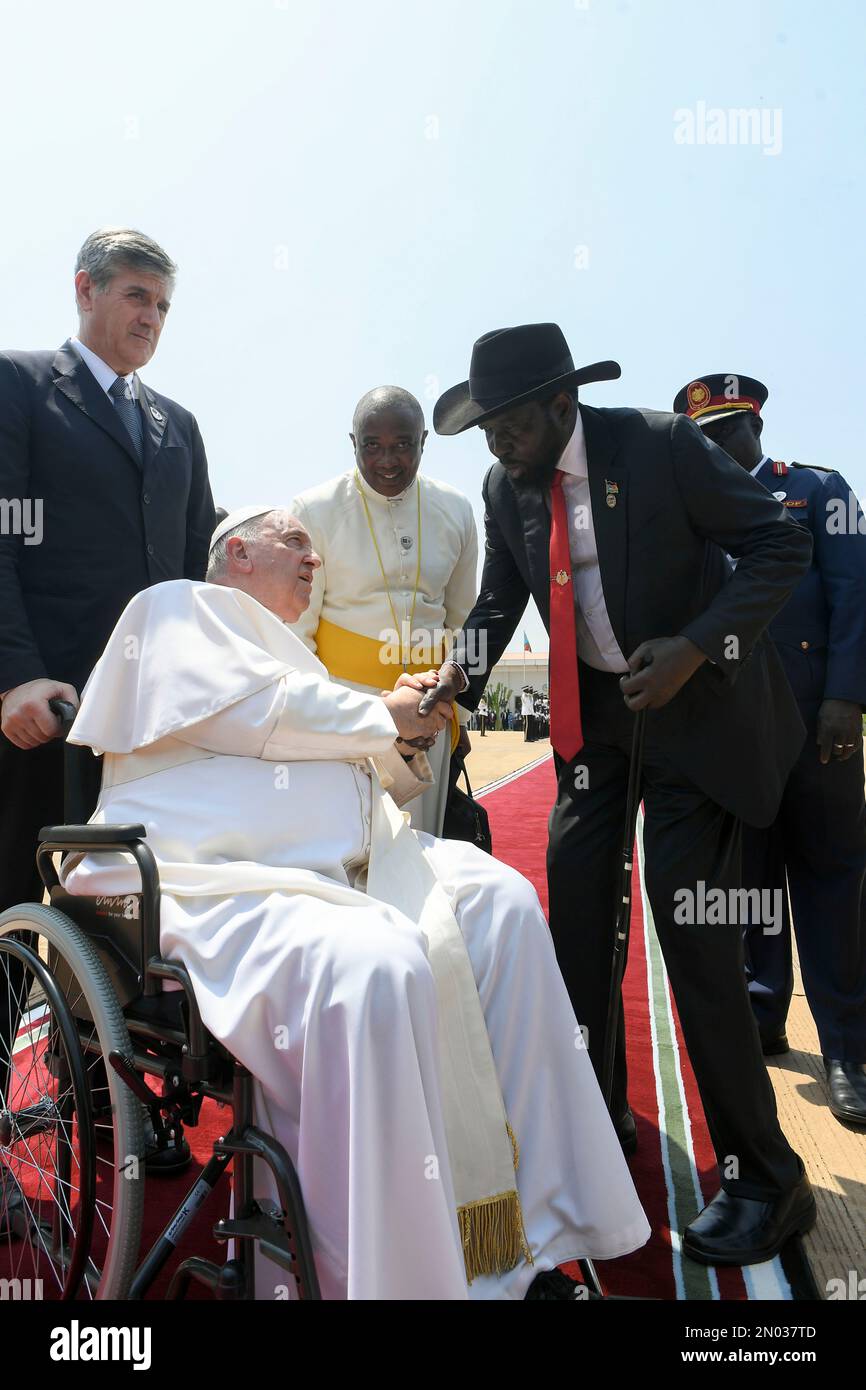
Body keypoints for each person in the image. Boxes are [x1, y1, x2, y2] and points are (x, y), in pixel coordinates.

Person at [61, 505, 649, 1301]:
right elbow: (262, 718)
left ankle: (525, 1237)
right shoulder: (177, 608)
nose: (315, 560)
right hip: (220, 874)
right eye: (295, 542)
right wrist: (382, 713)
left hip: (343, 862)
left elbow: (344, 759)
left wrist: (397, 734)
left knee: (504, 906)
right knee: (374, 966)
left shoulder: (289, 657)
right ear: (237, 551)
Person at [420, 322, 816, 1267]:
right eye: (483, 429)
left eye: (507, 423)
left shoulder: (660, 445)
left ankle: (769, 1179)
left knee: (690, 933)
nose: (494, 443)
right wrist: (452, 681)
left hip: (697, 723)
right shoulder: (505, 484)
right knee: (572, 915)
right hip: (597, 733)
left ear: (562, 404)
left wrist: (696, 649)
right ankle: (596, 1119)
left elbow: (780, 545)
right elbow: (498, 604)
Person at [0, 227, 215, 1178]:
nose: (150, 319)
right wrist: (11, 675)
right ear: (85, 290)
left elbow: (200, 570)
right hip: (42, 717)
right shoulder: (18, 385)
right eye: (135, 297)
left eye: (163, 307)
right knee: (14, 924)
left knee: (127, 929)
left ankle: (116, 1118)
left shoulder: (179, 425)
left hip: (148, 732)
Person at [674, 373, 866, 1125]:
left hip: (820, 728)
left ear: (756, 426)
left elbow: (856, 594)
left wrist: (846, 699)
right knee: (748, 880)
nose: (723, 446)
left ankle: (849, 1047)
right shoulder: (693, 515)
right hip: (736, 731)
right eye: (706, 438)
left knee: (832, 881)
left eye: (732, 430)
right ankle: (764, 1013)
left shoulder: (820, 491)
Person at [289, 386, 478, 834]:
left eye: (403, 446)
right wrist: (315, 722)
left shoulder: (456, 509)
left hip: (431, 714)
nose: (387, 461)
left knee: (422, 859)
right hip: (346, 712)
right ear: (353, 442)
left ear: (424, 442)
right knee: (346, 856)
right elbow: (296, 632)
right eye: (372, 446)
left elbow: (465, 622)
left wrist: (457, 716)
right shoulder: (312, 510)